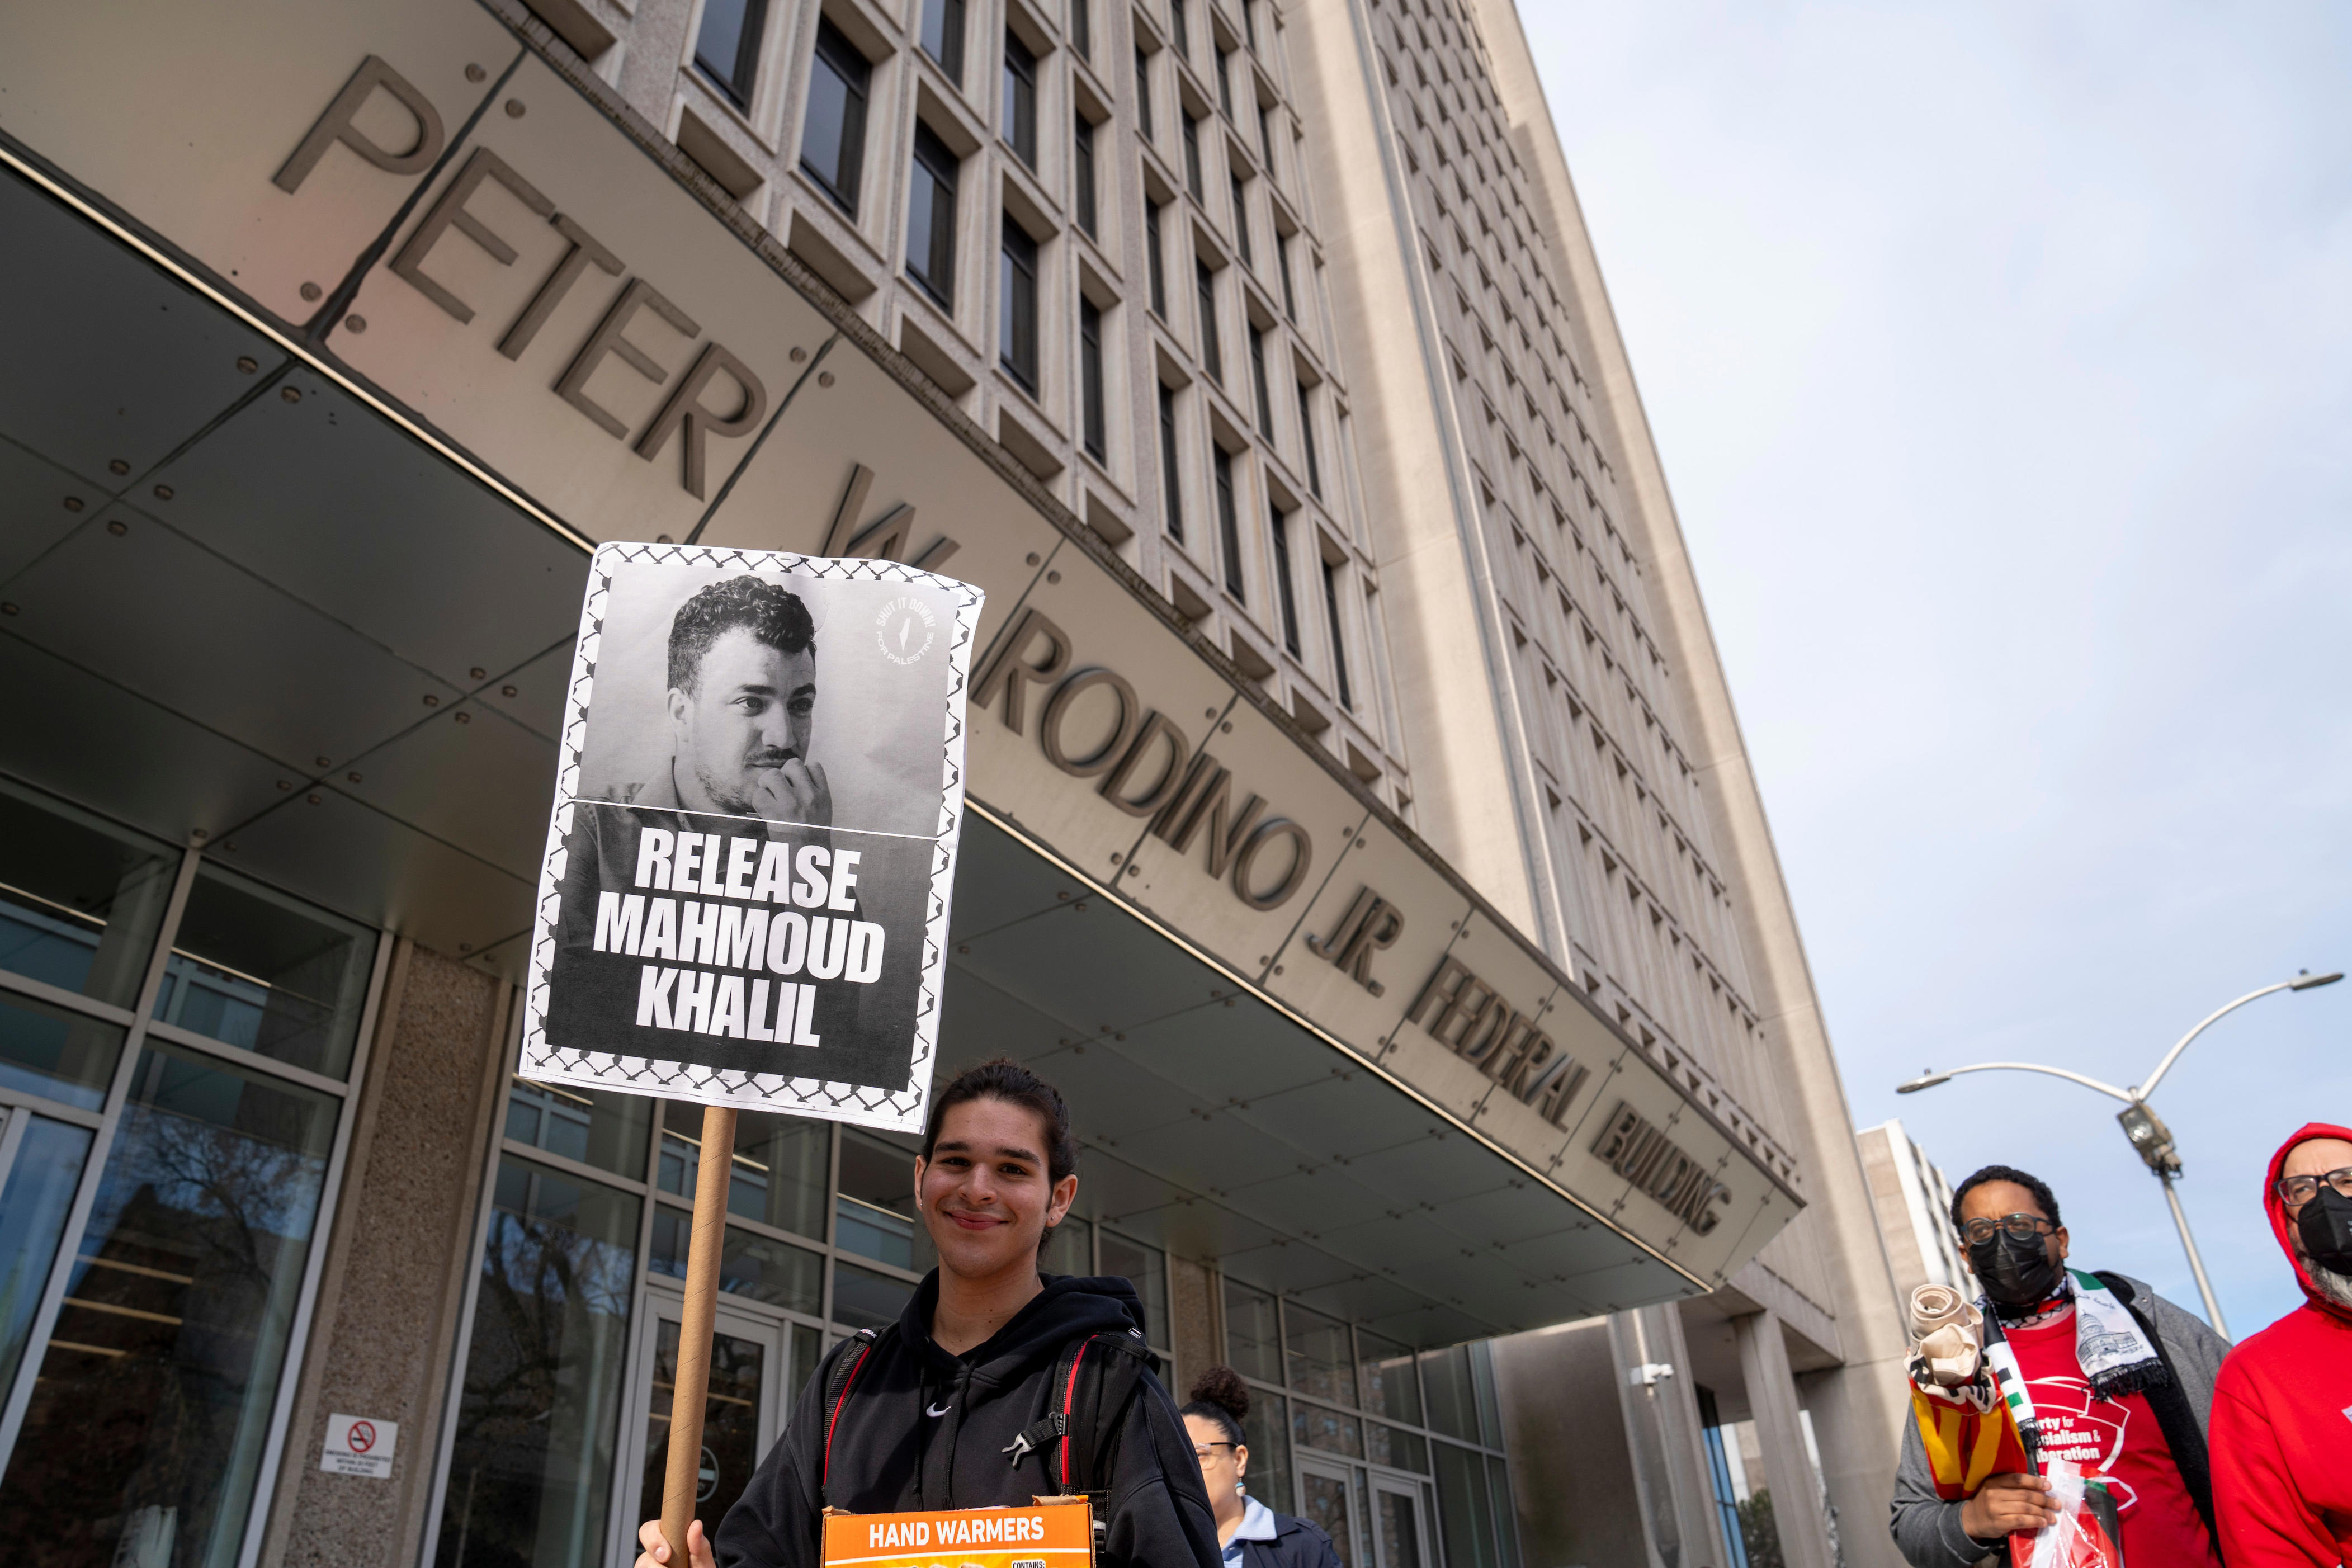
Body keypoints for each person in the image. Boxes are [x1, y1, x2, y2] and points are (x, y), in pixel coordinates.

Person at [635, 1058, 1222, 1568]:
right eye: (956, 1160)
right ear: (921, 1179)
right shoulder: (849, 1384)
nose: (978, 1188)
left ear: (1059, 1199)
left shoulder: (1107, 1388)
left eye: (1013, 1168)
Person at [1890, 1163, 2230, 1568]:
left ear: (2061, 1239)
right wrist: (1972, 1520)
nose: (2002, 1242)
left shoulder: (2148, 1323)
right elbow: (1911, 1518)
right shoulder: (1953, 1366)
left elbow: (2259, 1438)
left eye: (2019, 1224)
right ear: (1965, 1255)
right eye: (1981, 1231)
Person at [2209, 1122, 2352, 1565]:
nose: (2326, 1200)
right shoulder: (2260, 1373)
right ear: (2282, 1216)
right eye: (2302, 1190)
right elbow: (2269, 1548)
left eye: (2347, 1180)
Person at [1179, 1367, 1342, 1568]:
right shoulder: (1152, 1549)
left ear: (1239, 1460)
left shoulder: (1300, 1546)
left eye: (1199, 1455)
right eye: (1172, 1460)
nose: (1184, 1470)